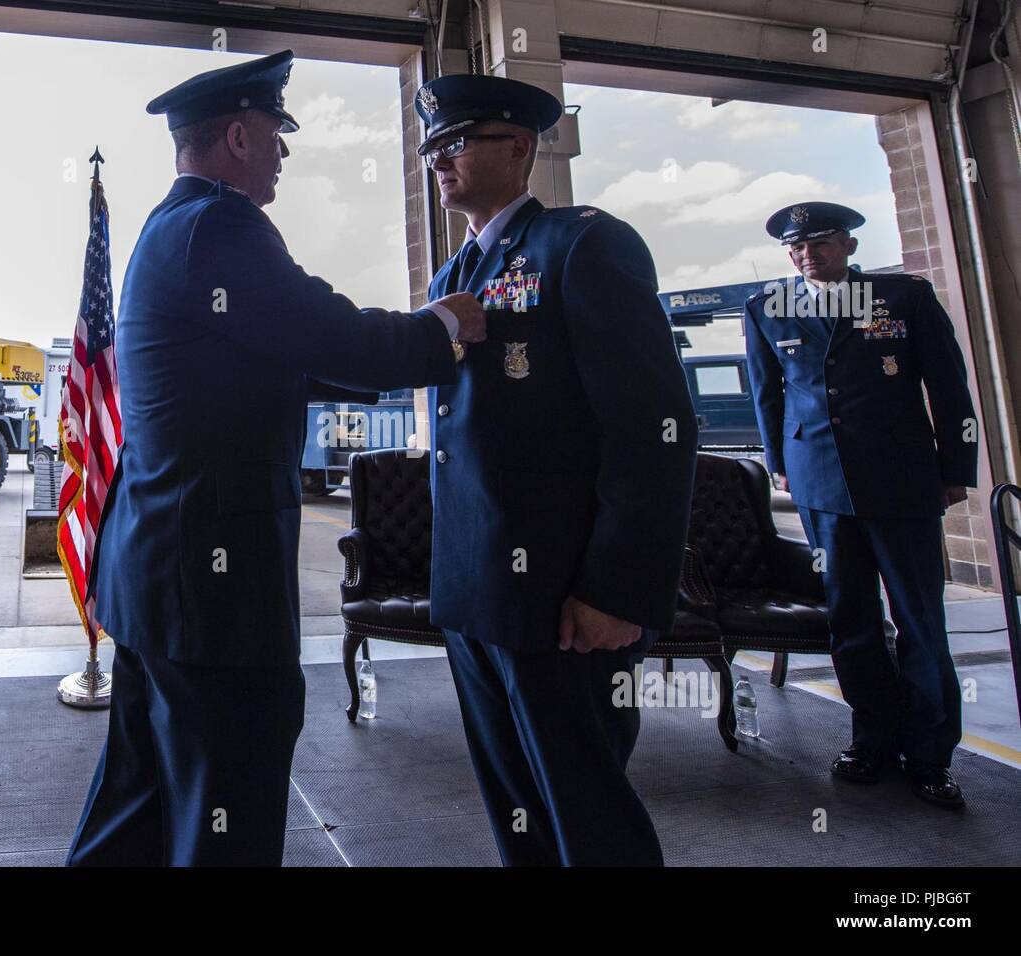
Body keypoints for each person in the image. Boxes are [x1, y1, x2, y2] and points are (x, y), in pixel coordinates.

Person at [67, 50, 487, 866]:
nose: (285, 154)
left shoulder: (170, 227)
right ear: (236, 136)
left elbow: (291, 351)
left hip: (159, 580)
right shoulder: (222, 227)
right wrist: (442, 327)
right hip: (210, 598)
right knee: (229, 805)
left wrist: (394, 355)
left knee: (140, 804)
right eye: (275, 134)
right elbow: (328, 332)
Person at [416, 74, 698, 866]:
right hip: (478, 595)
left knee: (588, 816)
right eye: (434, 145)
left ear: (520, 146)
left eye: (458, 140)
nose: (440, 158)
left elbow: (654, 431)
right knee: (518, 818)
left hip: (565, 601)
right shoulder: (452, 277)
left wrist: (617, 589)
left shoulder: (581, 244)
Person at [743, 201, 978, 808]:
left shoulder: (904, 299)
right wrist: (780, 466)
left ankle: (928, 754)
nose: (806, 254)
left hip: (902, 482)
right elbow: (769, 395)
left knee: (921, 620)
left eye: (819, 242)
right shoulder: (767, 307)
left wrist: (956, 470)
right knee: (851, 620)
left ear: (847, 244)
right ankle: (871, 739)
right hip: (821, 485)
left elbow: (948, 385)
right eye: (796, 247)